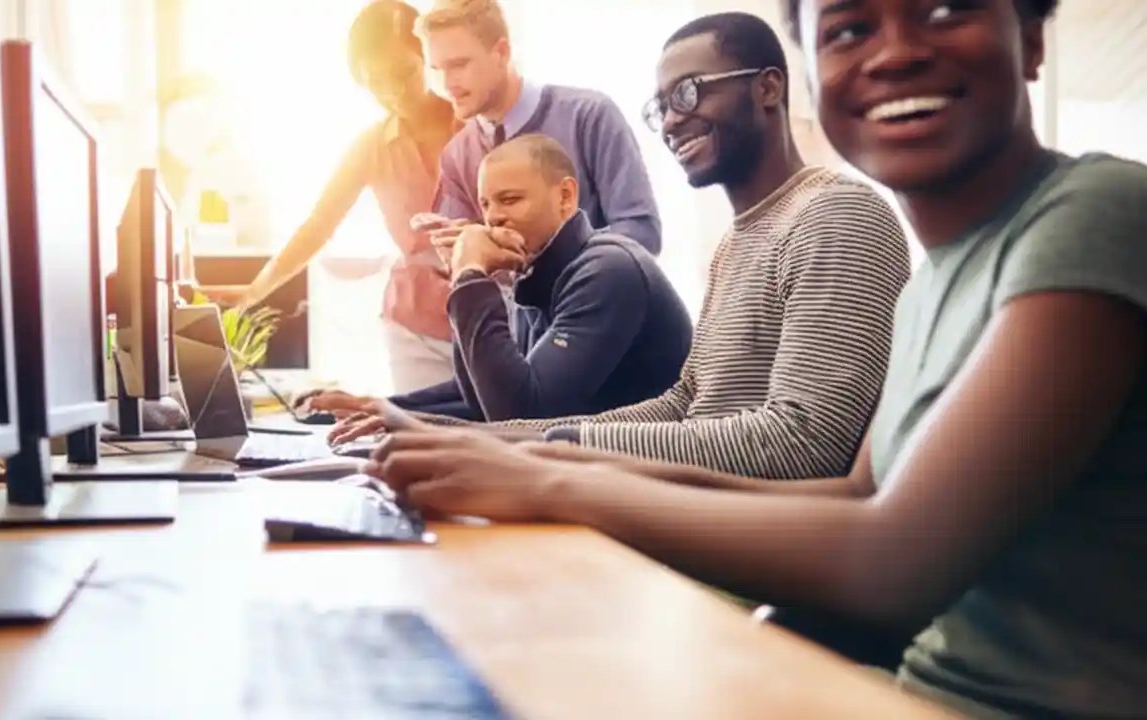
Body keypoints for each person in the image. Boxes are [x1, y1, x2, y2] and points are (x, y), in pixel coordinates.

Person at [368, 1, 1147, 717]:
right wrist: (497, 449)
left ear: (1033, 36)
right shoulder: (928, 275)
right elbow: (833, 485)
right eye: (849, 30)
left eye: (945, 9)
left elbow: (841, 498)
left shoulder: (1085, 213)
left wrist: (554, 473)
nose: (897, 52)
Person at [340, 12, 911, 478]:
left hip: (748, 547)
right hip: (697, 512)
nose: (670, 123)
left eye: (688, 93)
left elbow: (803, 443)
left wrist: (547, 453)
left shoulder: (836, 214)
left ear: (768, 87)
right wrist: (452, 435)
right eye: (661, 106)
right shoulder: (739, 240)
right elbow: (683, 406)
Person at [305, 134, 692, 425]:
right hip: (585, 472)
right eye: (486, 204)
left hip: (638, 489)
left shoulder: (608, 270)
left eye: (510, 200)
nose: (492, 219)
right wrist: (384, 408)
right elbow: (483, 395)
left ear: (566, 197)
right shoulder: (535, 271)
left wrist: (470, 277)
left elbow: (519, 415)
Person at [216, 1, 460, 393]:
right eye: (376, 81)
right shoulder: (369, 146)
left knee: (493, 438)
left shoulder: (479, 126)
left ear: (427, 59)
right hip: (416, 326)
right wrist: (253, 292)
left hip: (492, 315)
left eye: (405, 72)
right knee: (425, 439)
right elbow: (318, 225)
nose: (394, 91)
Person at [413, 0, 663, 256]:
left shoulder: (589, 116)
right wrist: (456, 252)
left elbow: (642, 234)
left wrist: (532, 258)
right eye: (436, 69)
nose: (446, 84)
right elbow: (463, 269)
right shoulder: (456, 156)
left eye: (458, 65)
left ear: (502, 52)